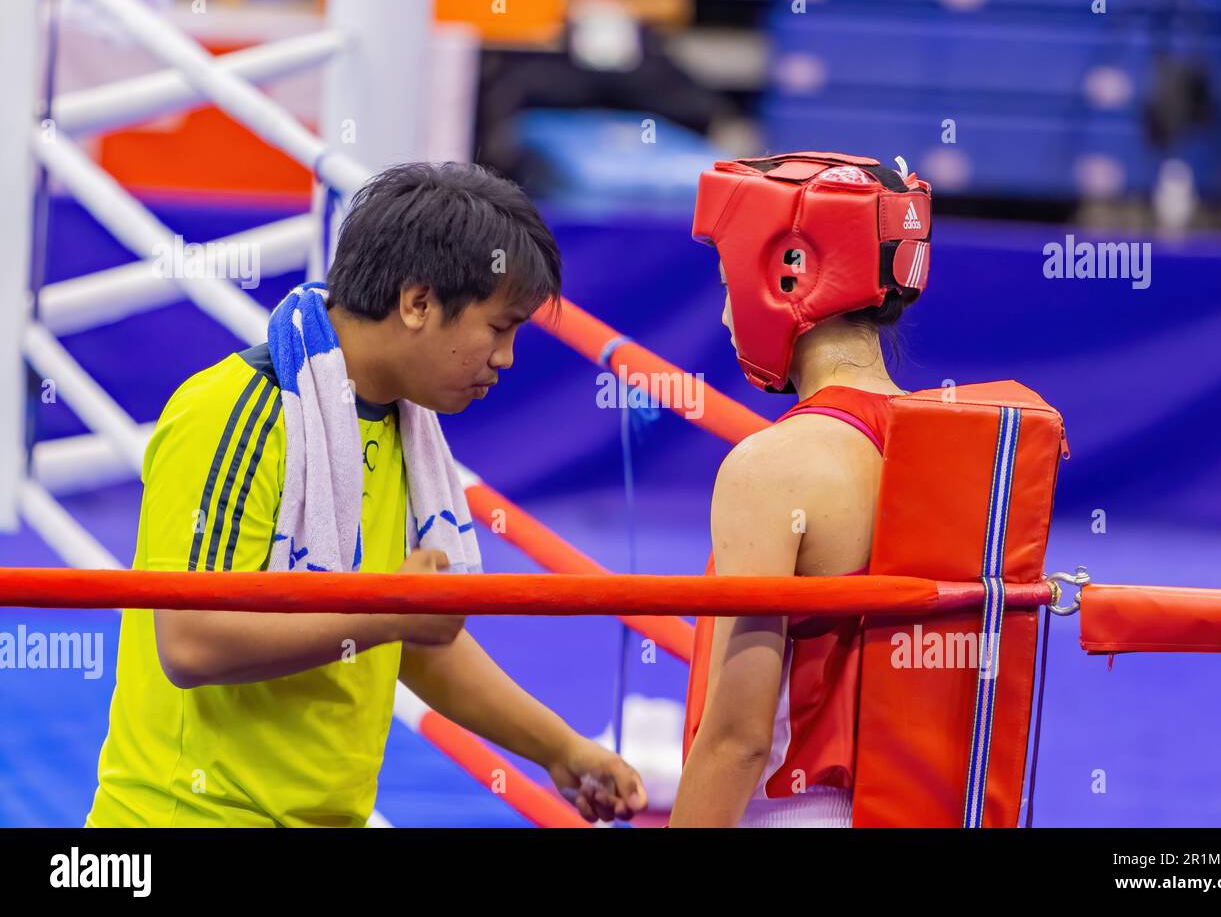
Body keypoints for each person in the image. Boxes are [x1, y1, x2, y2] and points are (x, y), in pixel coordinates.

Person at [87, 162, 647, 827]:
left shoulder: (403, 423)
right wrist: (389, 613)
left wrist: (560, 749)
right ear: (417, 303)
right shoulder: (233, 412)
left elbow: (411, 637)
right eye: (500, 328)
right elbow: (189, 643)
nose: (508, 358)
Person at [669, 152, 933, 827]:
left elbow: (739, 737)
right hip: (918, 804)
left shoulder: (772, 467)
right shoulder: (955, 446)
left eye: (729, 281)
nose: (727, 314)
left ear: (791, 272)